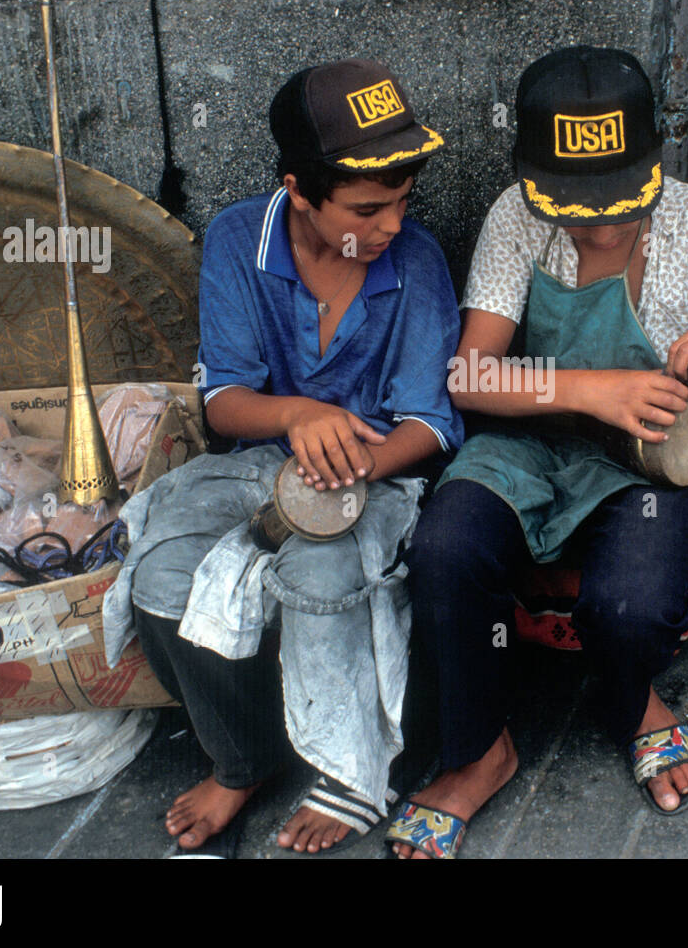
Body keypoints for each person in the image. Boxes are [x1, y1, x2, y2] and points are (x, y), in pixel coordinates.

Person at [387, 46, 688, 859]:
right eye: (574, 204)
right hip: (528, 440)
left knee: (630, 610)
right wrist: (590, 389)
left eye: (617, 201)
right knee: (445, 548)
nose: (597, 222)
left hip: (650, 460)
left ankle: (630, 700)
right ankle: (479, 751)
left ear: (652, 164)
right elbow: (471, 375)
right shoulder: (515, 216)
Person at [102, 59, 463, 855]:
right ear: (300, 191)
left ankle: (353, 769)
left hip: (379, 475)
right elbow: (225, 401)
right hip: (257, 463)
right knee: (162, 572)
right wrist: (299, 415)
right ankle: (244, 761)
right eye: (367, 211)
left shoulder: (418, 264)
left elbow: (431, 427)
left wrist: (350, 466)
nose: (391, 227)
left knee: (322, 576)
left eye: (403, 203)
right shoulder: (240, 238)